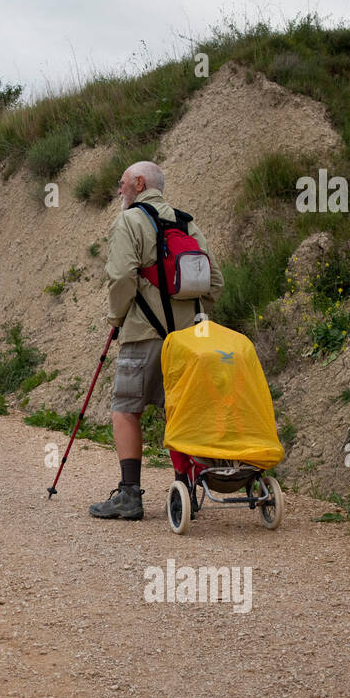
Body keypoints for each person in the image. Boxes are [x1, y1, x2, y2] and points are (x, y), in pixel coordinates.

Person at [89, 161, 224, 520]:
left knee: (125, 408)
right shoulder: (187, 223)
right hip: (191, 338)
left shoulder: (129, 221)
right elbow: (215, 282)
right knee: (176, 409)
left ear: (138, 182)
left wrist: (117, 318)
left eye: (122, 184)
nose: (120, 191)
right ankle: (183, 491)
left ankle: (129, 496)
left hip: (144, 334)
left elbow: (120, 277)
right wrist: (195, 318)